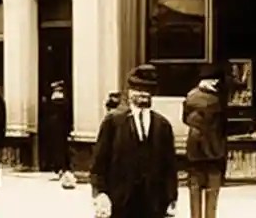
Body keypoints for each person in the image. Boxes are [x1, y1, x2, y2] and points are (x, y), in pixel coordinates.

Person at [90, 64, 178, 218]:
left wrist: (171, 197)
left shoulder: (163, 125)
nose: (143, 95)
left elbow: (169, 165)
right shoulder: (113, 122)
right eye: (138, 90)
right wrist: (100, 193)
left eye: (148, 91)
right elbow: (99, 162)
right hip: (120, 202)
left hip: (153, 204)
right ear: (129, 92)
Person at [183, 64, 227, 218]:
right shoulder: (216, 100)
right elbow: (222, 127)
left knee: (194, 192)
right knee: (212, 194)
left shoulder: (190, 97)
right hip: (213, 152)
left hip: (194, 153)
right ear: (212, 81)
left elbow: (185, 119)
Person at [41, 80, 72, 179]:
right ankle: (62, 167)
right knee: (61, 149)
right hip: (61, 129)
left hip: (55, 129)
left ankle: (59, 167)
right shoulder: (64, 101)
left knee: (57, 149)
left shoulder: (55, 101)